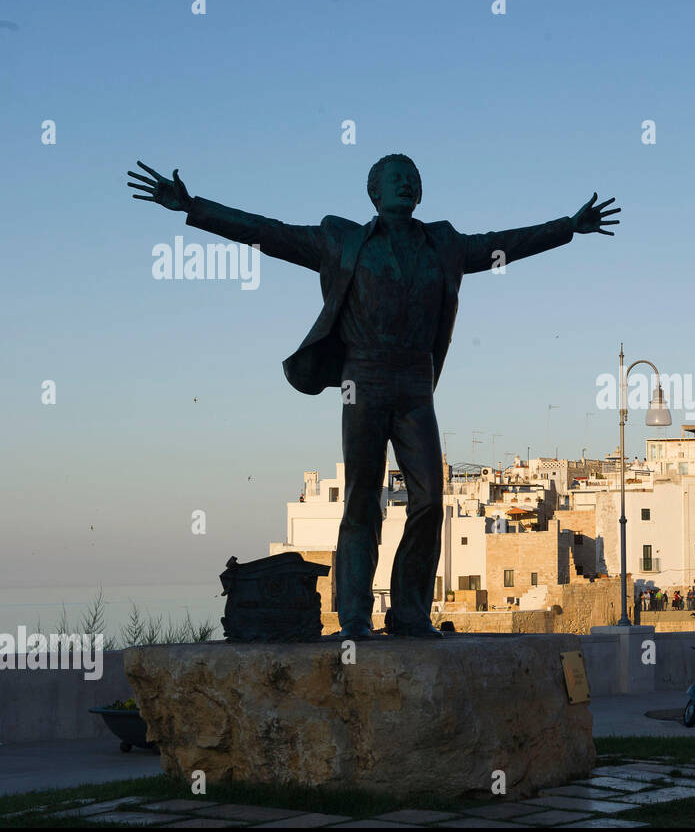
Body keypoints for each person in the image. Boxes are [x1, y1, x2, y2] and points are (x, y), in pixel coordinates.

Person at [129, 156, 618, 639]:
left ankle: (408, 612)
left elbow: (502, 245)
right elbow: (267, 233)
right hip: (360, 378)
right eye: (394, 178)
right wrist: (194, 206)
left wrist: (567, 228)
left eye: (412, 179)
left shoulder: (442, 245)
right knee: (363, 500)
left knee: (429, 499)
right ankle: (356, 616)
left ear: (420, 193)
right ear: (374, 193)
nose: (405, 184)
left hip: (414, 383)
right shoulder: (341, 240)